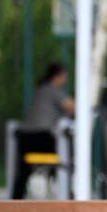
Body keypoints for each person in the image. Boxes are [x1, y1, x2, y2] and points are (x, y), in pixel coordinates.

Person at [12, 63, 74, 199]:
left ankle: (16, 200)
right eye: (64, 76)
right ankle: (66, 193)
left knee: (23, 172)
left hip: (24, 137)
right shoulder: (52, 90)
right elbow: (71, 107)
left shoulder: (40, 89)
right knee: (65, 160)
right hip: (41, 136)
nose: (65, 80)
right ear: (58, 76)